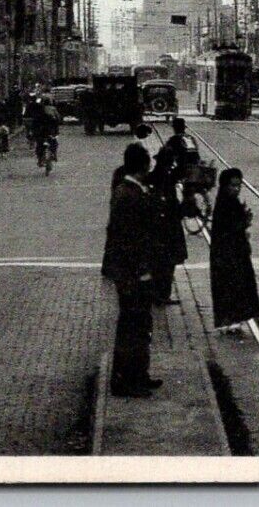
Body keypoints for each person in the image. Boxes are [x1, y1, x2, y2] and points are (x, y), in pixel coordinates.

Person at [102, 143, 162, 397]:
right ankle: (129, 380)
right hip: (133, 274)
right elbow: (130, 238)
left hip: (128, 271)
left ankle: (138, 374)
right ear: (143, 166)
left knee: (137, 324)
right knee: (134, 326)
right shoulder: (130, 195)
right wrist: (142, 270)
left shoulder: (127, 190)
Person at [209, 168, 259, 335]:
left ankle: (235, 319)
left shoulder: (229, 201)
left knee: (237, 284)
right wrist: (244, 222)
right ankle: (231, 320)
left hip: (234, 252)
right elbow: (228, 228)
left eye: (239, 185)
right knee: (231, 284)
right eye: (233, 185)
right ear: (225, 186)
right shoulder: (225, 203)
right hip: (227, 253)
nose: (237, 189)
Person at [145, 145, 189, 305]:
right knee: (167, 263)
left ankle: (158, 293)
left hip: (158, 226)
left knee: (158, 261)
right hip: (169, 226)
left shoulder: (153, 176)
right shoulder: (168, 178)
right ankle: (162, 294)